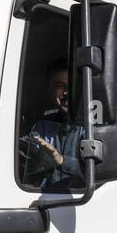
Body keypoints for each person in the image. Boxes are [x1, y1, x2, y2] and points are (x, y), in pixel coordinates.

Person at [18, 61, 84, 190]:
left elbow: (103, 171)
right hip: (43, 200)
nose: (66, 92)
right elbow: (24, 153)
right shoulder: (42, 125)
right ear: (50, 90)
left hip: (80, 203)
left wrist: (61, 160)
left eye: (71, 86)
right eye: (60, 86)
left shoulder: (99, 124)